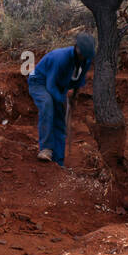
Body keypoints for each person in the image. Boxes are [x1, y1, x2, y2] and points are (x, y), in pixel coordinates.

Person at [27, 33, 95, 166]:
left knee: (61, 119)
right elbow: (50, 85)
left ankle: (58, 161)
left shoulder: (86, 59)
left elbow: (79, 81)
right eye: (82, 55)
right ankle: (46, 149)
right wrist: (63, 100)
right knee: (48, 104)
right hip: (39, 82)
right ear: (76, 48)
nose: (83, 58)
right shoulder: (61, 58)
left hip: (60, 85)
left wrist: (74, 97)